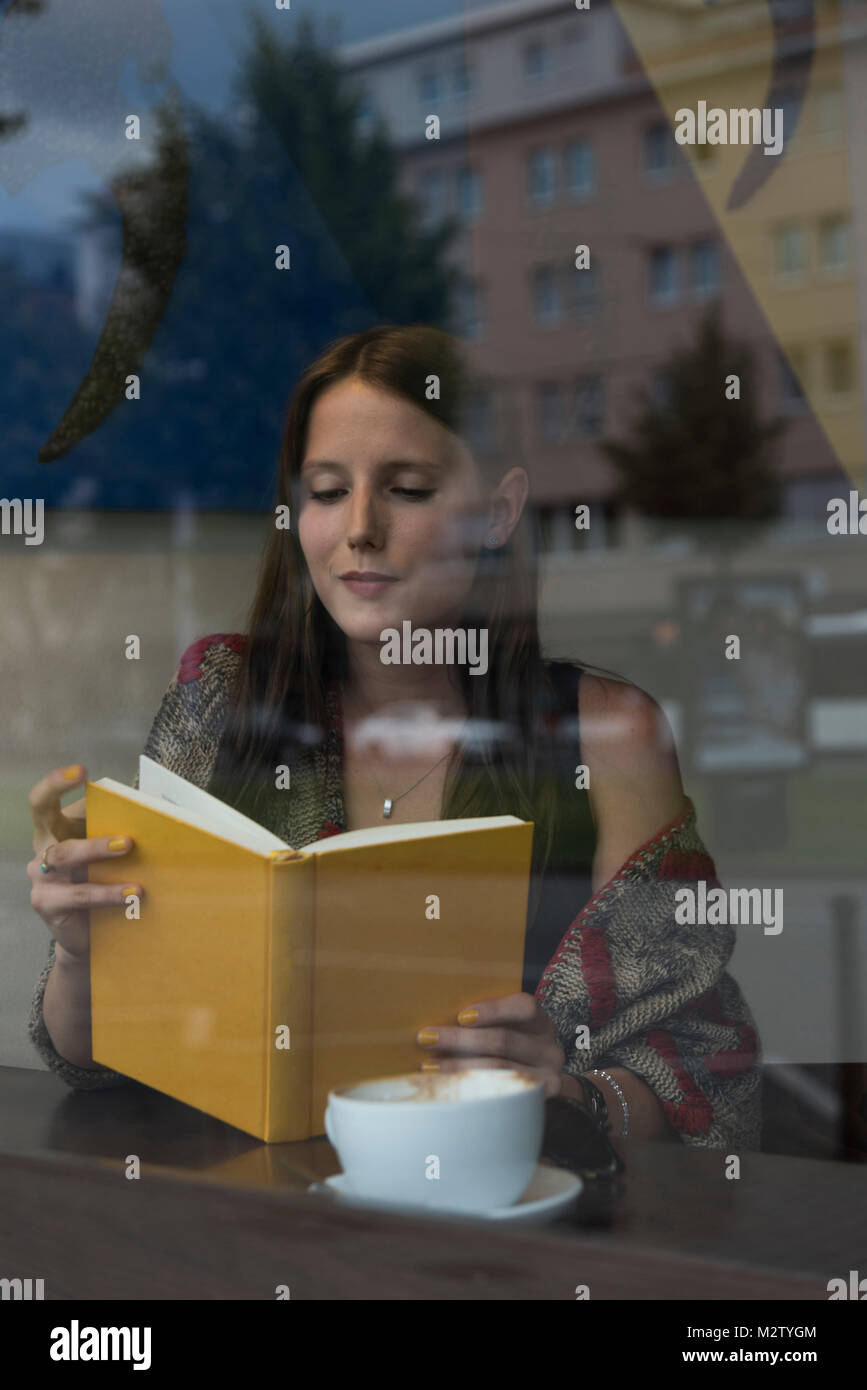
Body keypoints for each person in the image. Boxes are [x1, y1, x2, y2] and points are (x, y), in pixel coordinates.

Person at [27, 324, 761, 1149]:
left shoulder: (607, 735)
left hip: (492, 1213)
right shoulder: (219, 703)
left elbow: (706, 1071)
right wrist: (83, 955)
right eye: (326, 491)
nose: (360, 528)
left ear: (497, 512)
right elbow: (93, 1058)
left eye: (407, 489)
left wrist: (575, 1094)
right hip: (242, 1207)